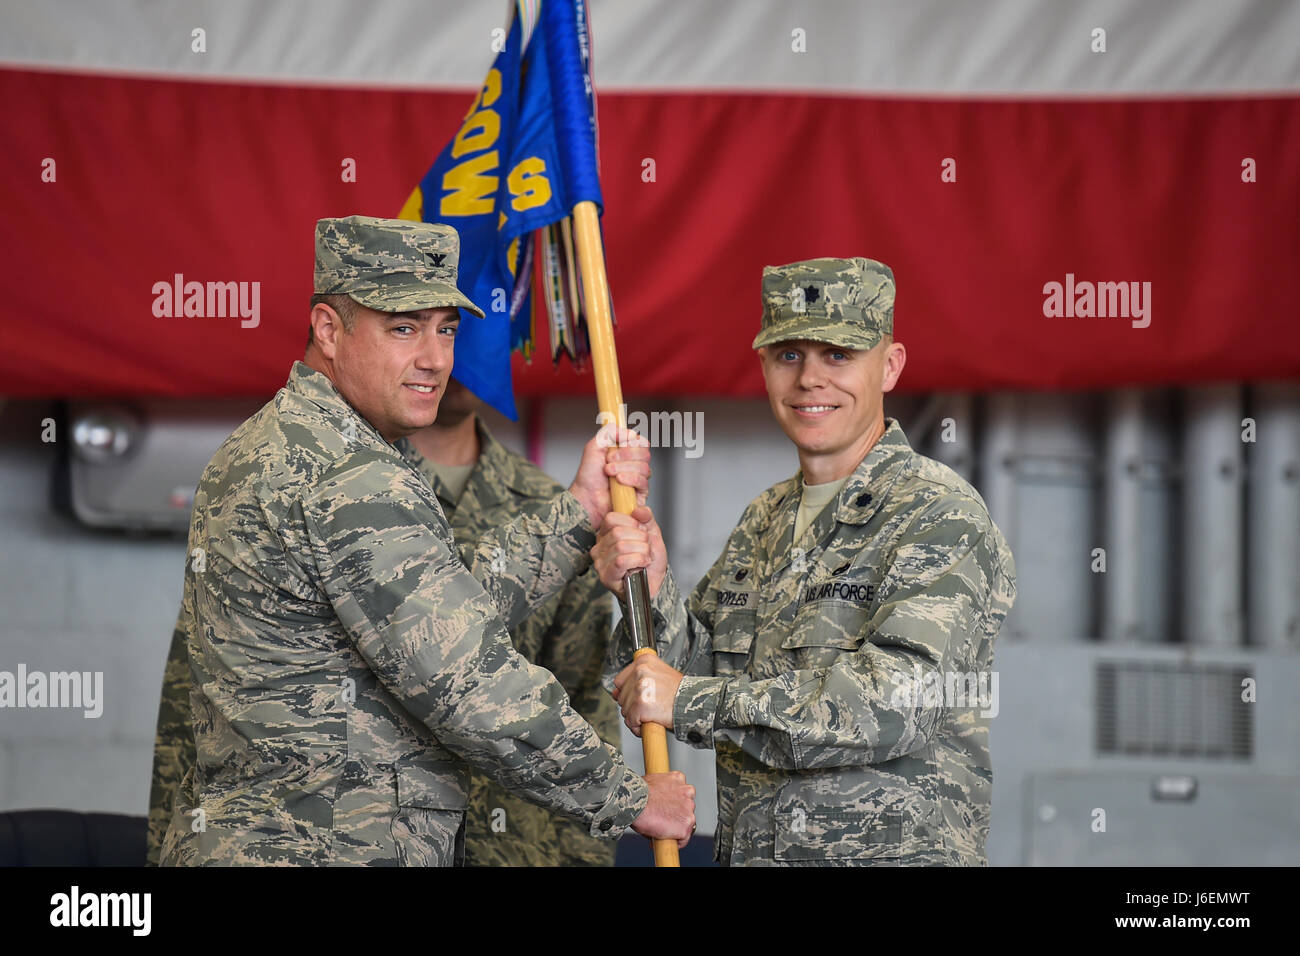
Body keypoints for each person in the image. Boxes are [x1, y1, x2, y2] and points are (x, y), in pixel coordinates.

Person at [147, 214, 694, 866]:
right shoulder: (349, 476)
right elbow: (467, 679)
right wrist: (628, 795)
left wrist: (577, 513)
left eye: (446, 329)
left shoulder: (279, 445)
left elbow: (442, 616)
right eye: (403, 328)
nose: (434, 359)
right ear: (328, 329)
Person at [592, 257, 1016, 866]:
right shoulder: (765, 520)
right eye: (789, 355)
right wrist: (650, 586)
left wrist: (687, 698)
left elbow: (898, 704)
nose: (810, 379)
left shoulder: (939, 514)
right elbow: (686, 675)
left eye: (839, 355)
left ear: (890, 365)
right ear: (763, 366)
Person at [398, 379, 620, 866]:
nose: (449, 355)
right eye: (437, 325)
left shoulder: (554, 508)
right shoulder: (345, 493)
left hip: (512, 848)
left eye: (475, 326)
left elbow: (586, 701)